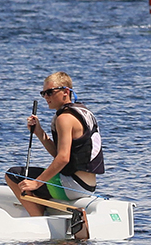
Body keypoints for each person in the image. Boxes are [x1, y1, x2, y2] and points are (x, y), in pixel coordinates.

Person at [5, 72, 104, 218]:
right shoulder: (83, 112)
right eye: (43, 93)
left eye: (50, 92)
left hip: (72, 186)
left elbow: (63, 159)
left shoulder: (64, 118)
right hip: (87, 186)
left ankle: (37, 219)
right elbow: (62, 154)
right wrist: (39, 132)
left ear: (66, 92)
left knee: (12, 175)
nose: (46, 97)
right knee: (36, 177)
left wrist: (36, 184)